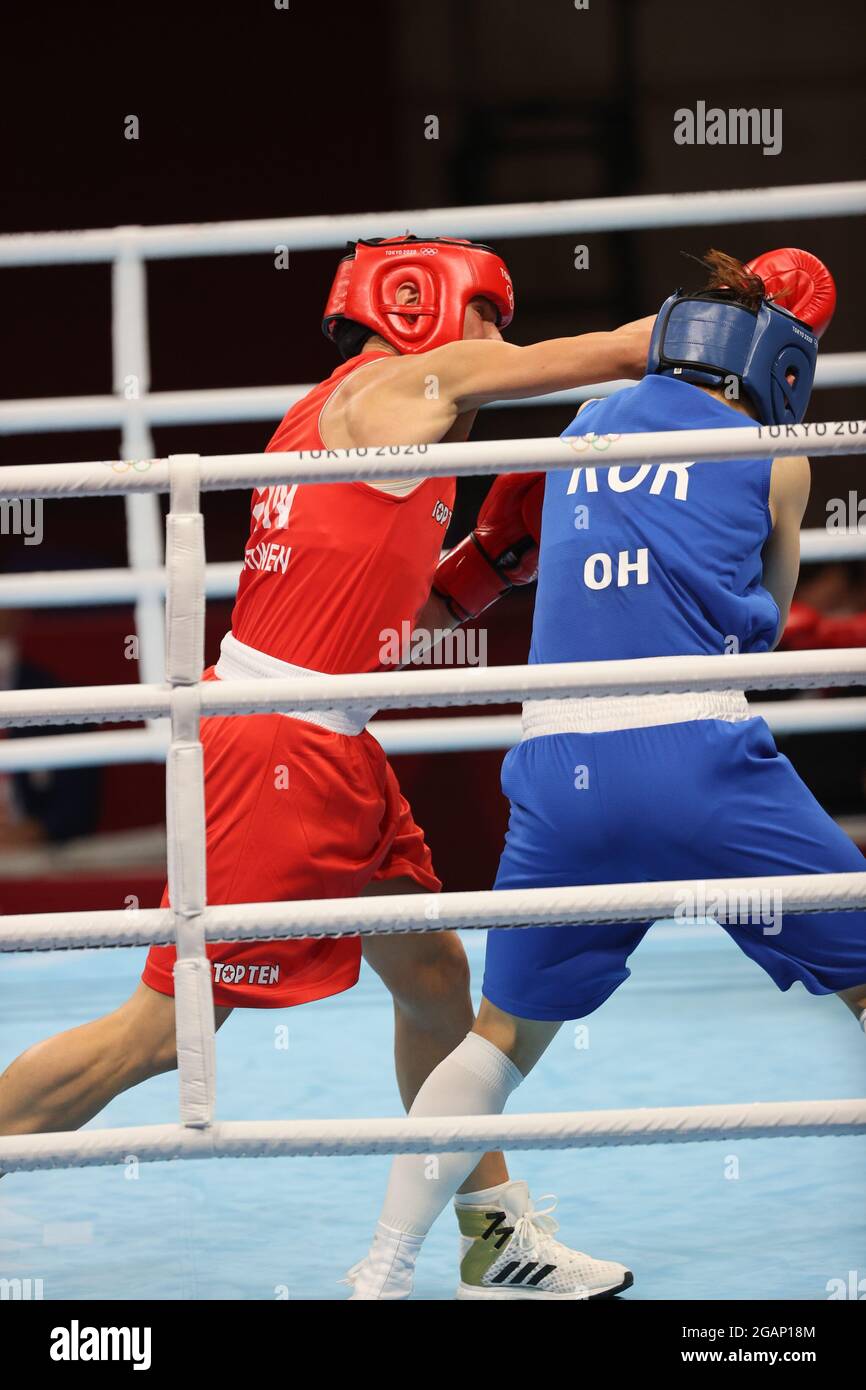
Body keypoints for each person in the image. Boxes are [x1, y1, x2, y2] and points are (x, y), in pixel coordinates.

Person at [0, 235, 652, 1298]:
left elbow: (383, 622)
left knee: (436, 977)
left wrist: (485, 566)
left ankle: (495, 1238)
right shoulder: (402, 382)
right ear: (419, 306)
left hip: (328, 738)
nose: (498, 337)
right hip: (275, 747)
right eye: (486, 313)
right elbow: (607, 355)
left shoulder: (358, 419)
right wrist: (718, 329)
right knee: (160, 1034)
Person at [349, 246, 866, 1301]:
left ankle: (382, 1265)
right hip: (697, 757)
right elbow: (760, 628)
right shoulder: (778, 452)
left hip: (557, 769)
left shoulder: (581, 427)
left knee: (498, 1038)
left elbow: (519, 550)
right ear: (782, 355)